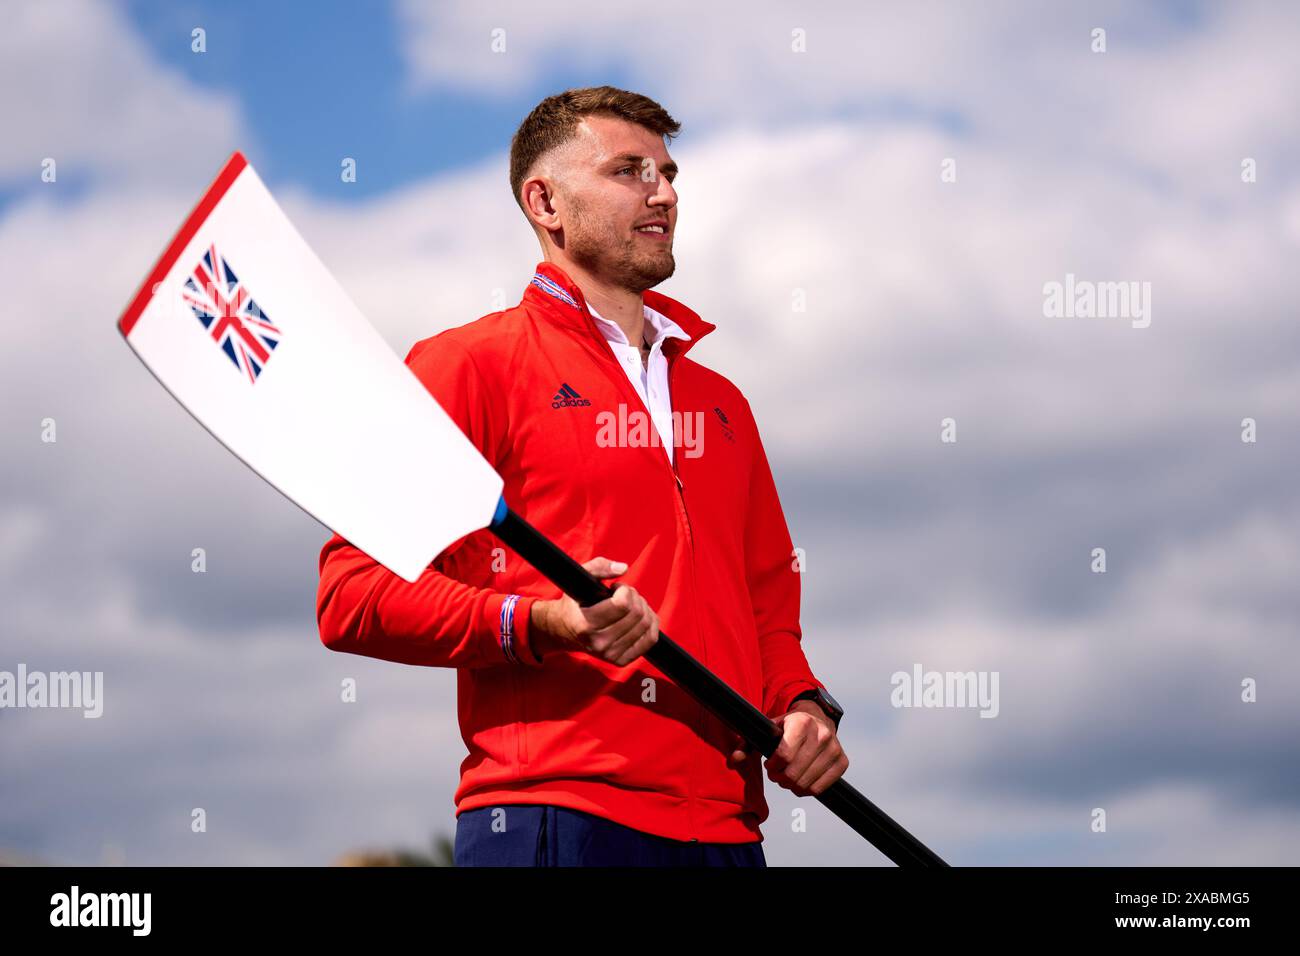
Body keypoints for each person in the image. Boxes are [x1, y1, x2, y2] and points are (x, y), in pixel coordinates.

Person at [316, 86, 848, 867]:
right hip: (554, 815)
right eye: (629, 171)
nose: (663, 192)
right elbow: (352, 596)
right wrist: (542, 623)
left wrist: (801, 705)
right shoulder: (468, 366)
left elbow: (768, 601)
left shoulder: (721, 402)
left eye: (668, 174)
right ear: (545, 201)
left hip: (727, 831)